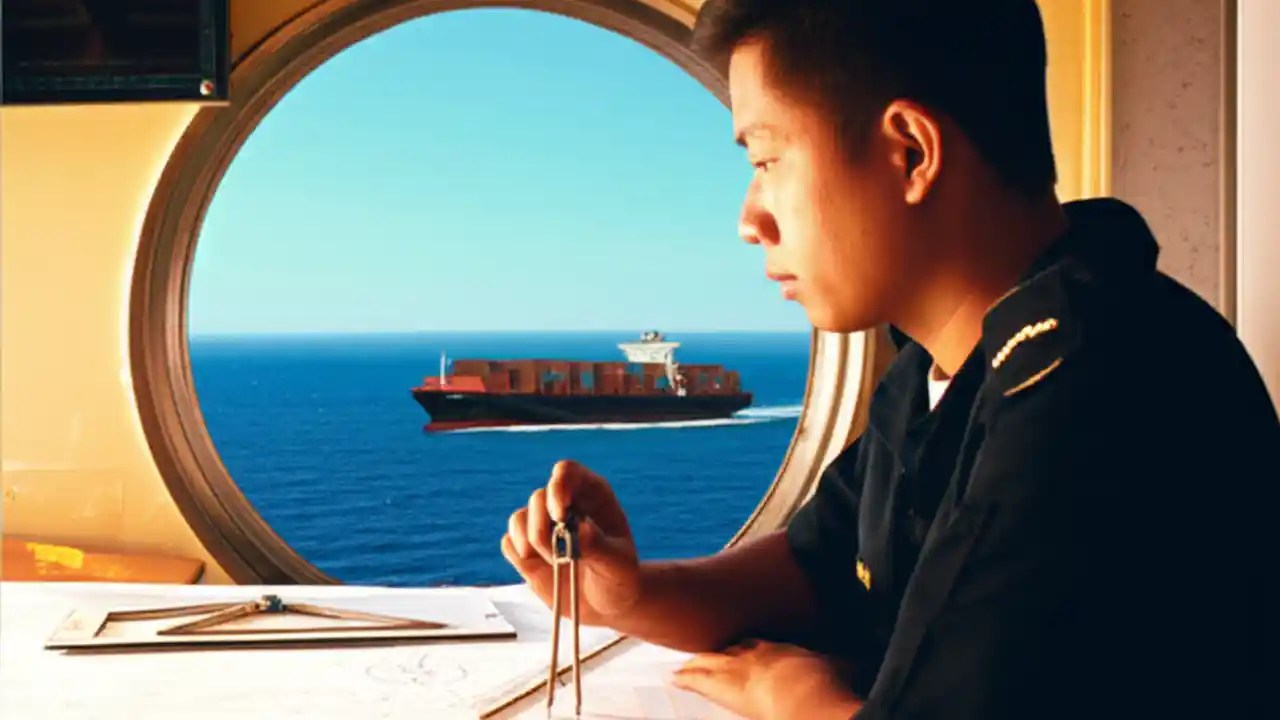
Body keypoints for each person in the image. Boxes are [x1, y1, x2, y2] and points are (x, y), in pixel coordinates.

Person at [500, 2, 1276, 718]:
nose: (749, 219)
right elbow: (820, 567)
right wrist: (627, 596)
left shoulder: (1096, 396)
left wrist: (802, 702)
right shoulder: (929, 376)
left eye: (765, 159)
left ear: (910, 153)